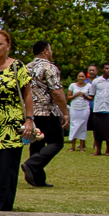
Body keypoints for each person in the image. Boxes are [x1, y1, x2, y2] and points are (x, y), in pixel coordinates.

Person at [0, 30, 33, 211]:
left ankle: (4, 207)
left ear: (8, 46)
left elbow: (27, 94)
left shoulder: (17, 66)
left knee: (7, 168)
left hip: (11, 126)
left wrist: (29, 119)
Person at [20, 41, 70, 187]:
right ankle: (32, 164)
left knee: (37, 144)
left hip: (31, 112)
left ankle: (37, 178)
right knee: (57, 142)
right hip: (48, 111)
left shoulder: (26, 67)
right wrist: (65, 112)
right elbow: (57, 92)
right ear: (46, 51)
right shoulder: (49, 67)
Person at [67, 72, 93, 152]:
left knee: (83, 126)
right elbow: (68, 97)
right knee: (73, 125)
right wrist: (75, 95)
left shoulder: (89, 86)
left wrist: (85, 96)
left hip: (84, 108)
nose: (81, 78)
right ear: (77, 77)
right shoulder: (72, 85)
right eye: (79, 76)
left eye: (83, 76)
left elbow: (91, 97)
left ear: (85, 77)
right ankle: (73, 146)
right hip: (74, 108)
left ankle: (82, 146)